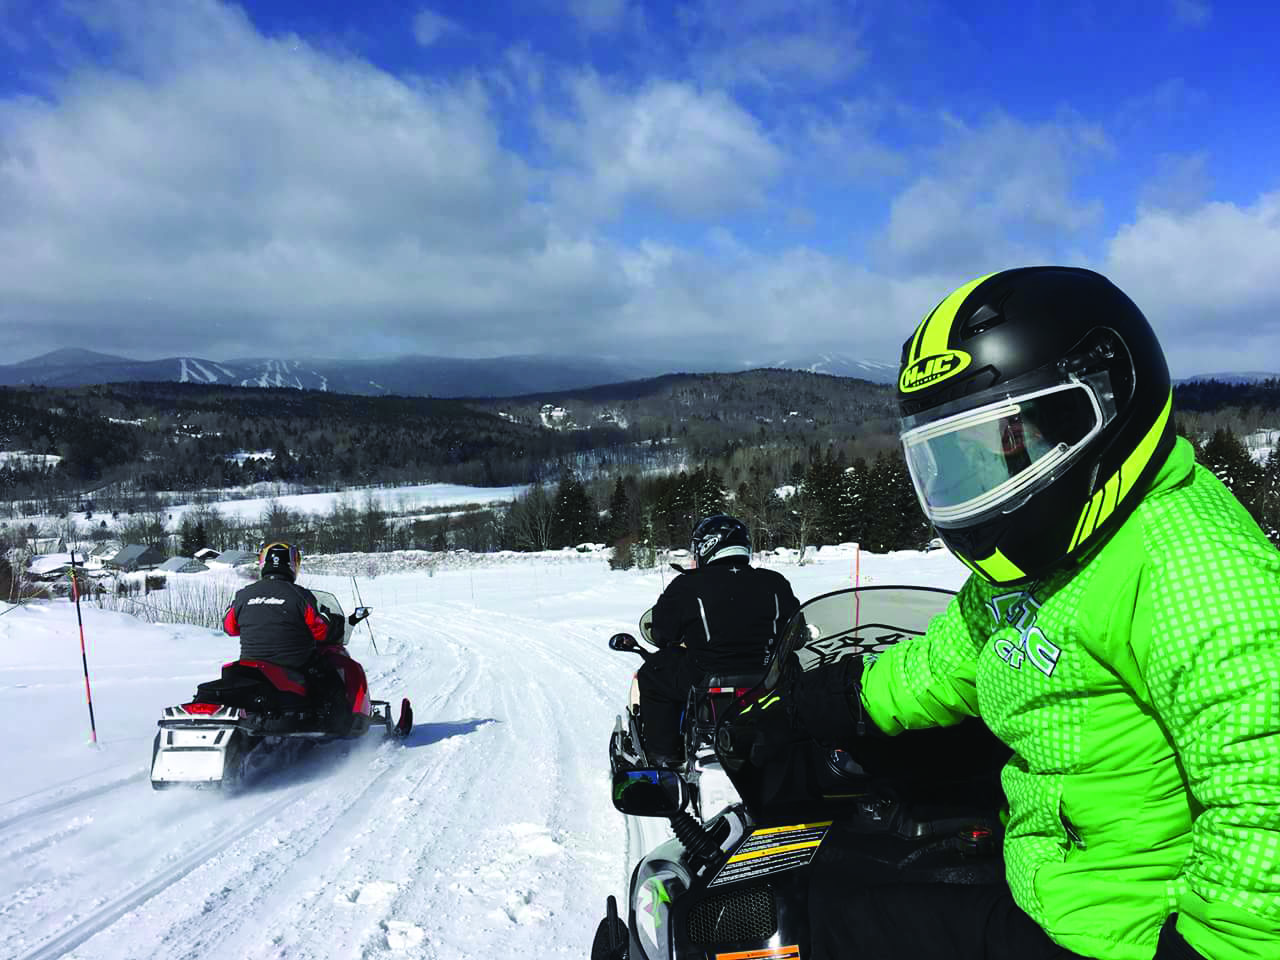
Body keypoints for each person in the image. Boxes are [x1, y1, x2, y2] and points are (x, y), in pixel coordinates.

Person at [768, 267, 1279, 960]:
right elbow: (955, 657)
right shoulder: (1050, 559)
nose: (991, 479)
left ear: (1100, 410)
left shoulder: (1193, 571)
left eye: (1016, 443)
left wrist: (1208, 950)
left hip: (1120, 932)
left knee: (816, 927)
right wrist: (837, 699)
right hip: (1051, 882)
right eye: (961, 457)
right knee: (824, 885)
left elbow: (1265, 801)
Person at [637, 514, 800, 766]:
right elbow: (795, 633)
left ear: (707, 545)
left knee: (651, 675)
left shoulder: (686, 585)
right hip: (768, 678)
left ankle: (664, 756)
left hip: (705, 678)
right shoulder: (775, 582)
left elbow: (661, 633)